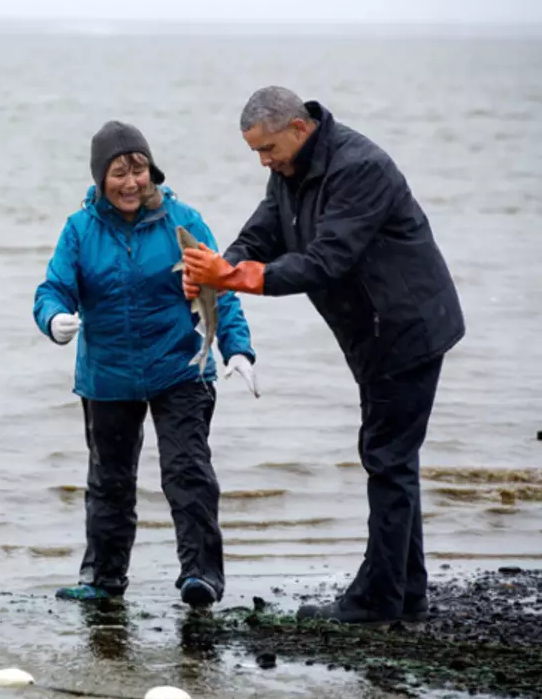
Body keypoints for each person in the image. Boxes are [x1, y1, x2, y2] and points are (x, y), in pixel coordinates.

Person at [180, 86, 465, 625]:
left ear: (298, 127)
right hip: (373, 330)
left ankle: (378, 600)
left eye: (268, 150)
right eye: (256, 154)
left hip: (407, 326)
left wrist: (235, 277)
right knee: (393, 459)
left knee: (386, 458)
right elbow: (266, 229)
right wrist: (222, 267)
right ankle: (406, 592)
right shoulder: (291, 170)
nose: (265, 161)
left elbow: (325, 260)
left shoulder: (361, 168)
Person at [34, 120, 259, 608]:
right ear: (100, 179)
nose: (131, 182)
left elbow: (219, 289)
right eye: (119, 172)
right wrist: (53, 320)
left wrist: (235, 348)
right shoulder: (80, 230)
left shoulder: (183, 222)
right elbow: (53, 289)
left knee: (188, 471)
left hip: (180, 366)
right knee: (109, 481)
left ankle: (201, 576)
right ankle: (103, 580)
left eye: (139, 169)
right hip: (108, 375)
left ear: (152, 171)